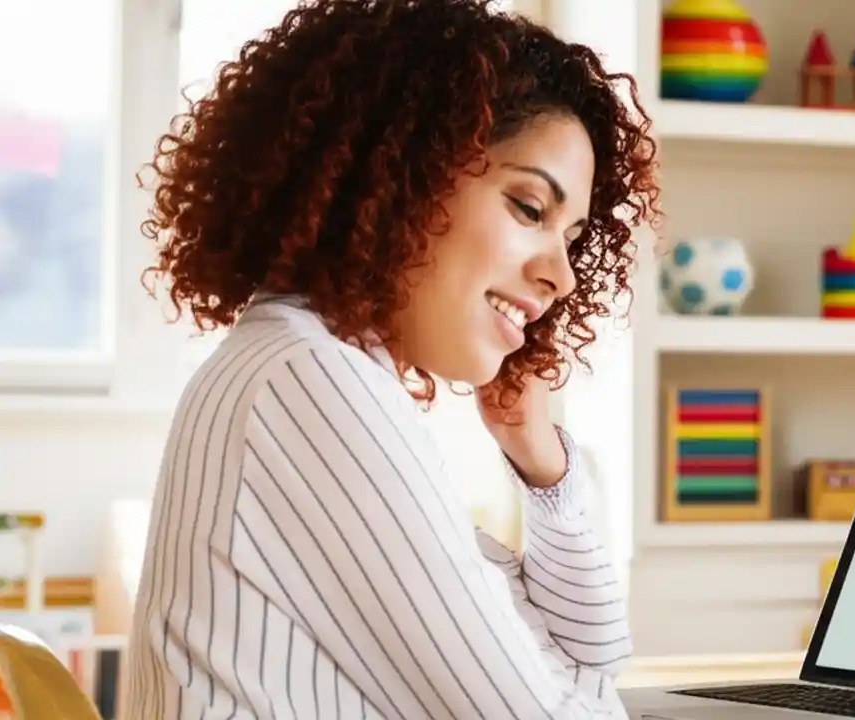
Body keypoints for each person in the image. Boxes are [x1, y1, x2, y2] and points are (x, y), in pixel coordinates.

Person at [122, 0, 660, 717]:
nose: (560, 276)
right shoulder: (313, 386)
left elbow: (589, 671)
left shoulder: (304, 365)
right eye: (530, 209)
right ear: (409, 174)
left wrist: (541, 465)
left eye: (572, 236)